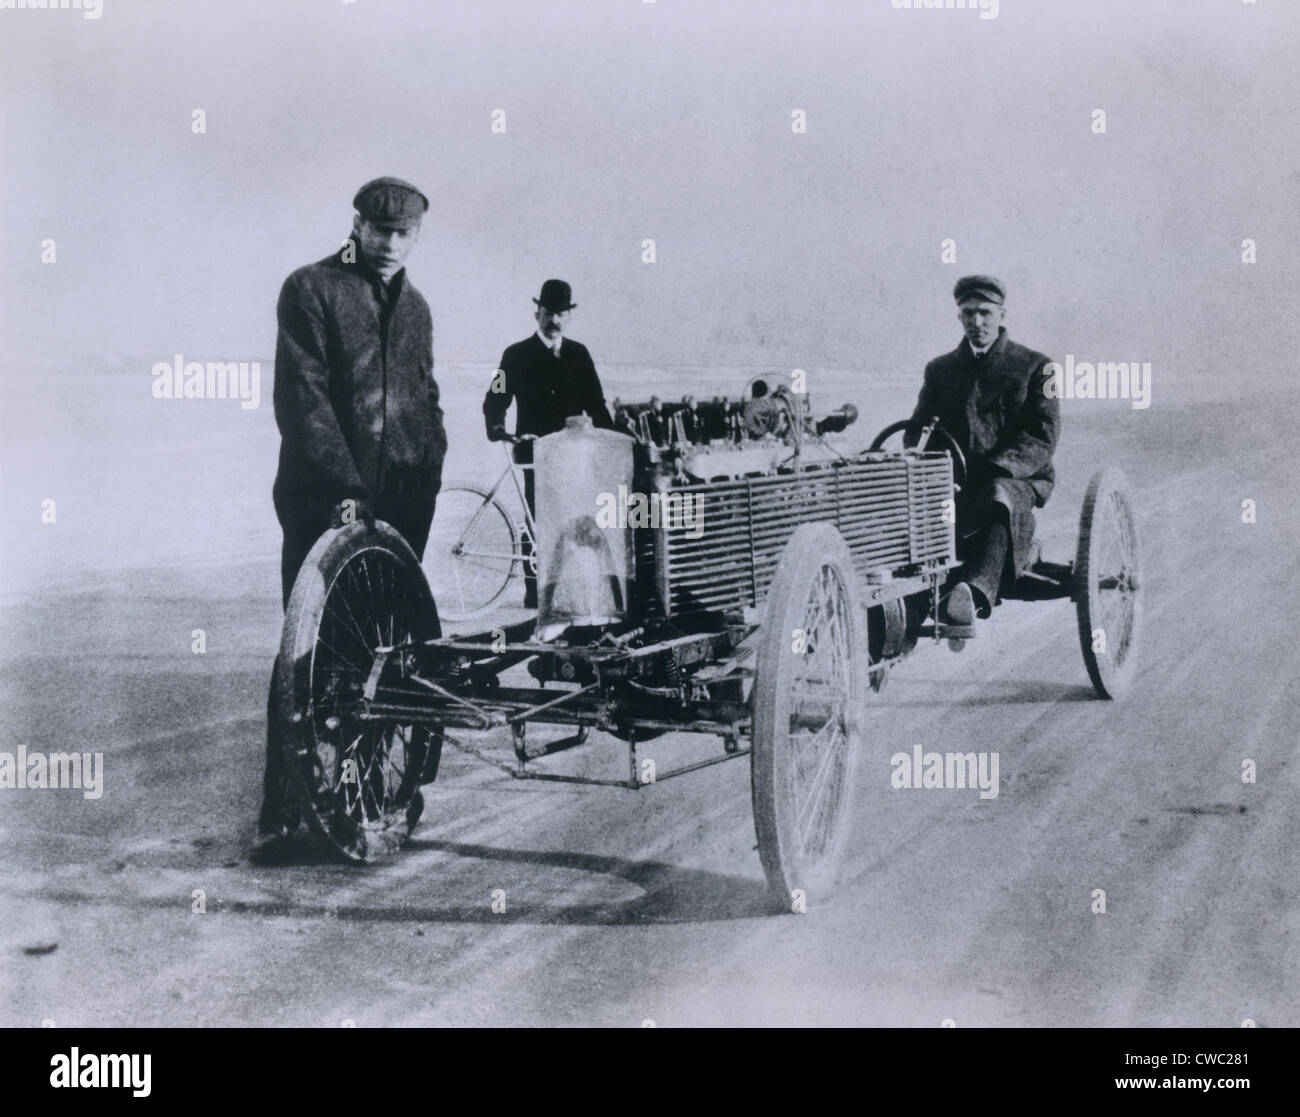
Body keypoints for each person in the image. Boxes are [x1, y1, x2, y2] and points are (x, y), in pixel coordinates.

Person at [255, 175, 448, 863]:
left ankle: (381, 798)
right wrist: (342, 486)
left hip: (401, 502)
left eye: (404, 234)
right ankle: (284, 816)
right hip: (323, 499)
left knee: (386, 657)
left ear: (417, 236)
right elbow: (302, 401)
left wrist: (430, 470)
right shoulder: (310, 290)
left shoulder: (417, 308)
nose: (391, 243)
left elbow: (424, 396)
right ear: (357, 225)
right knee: (307, 658)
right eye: (379, 229)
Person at [909, 275, 1060, 627]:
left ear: (1002, 314)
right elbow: (919, 428)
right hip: (956, 480)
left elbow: (1043, 435)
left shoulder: (1039, 367)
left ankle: (975, 593)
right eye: (969, 313)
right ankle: (900, 614)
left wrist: (996, 467)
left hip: (1018, 479)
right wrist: (920, 460)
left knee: (997, 494)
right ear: (959, 317)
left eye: (985, 313)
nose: (977, 322)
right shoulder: (939, 370)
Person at [483, 279, 613, 608]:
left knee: (573, 518)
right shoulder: (514, 356)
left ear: (569, 317)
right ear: (536, 313)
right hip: (533, 452)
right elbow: (494, 399)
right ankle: (534, 593)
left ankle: (566, 588)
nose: (554, 321)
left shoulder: (579, 355)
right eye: (548, 313)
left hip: (573, 455)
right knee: (536, 521)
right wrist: (499, 429)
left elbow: (598, 406)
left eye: (561, 314)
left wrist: (615, 437)